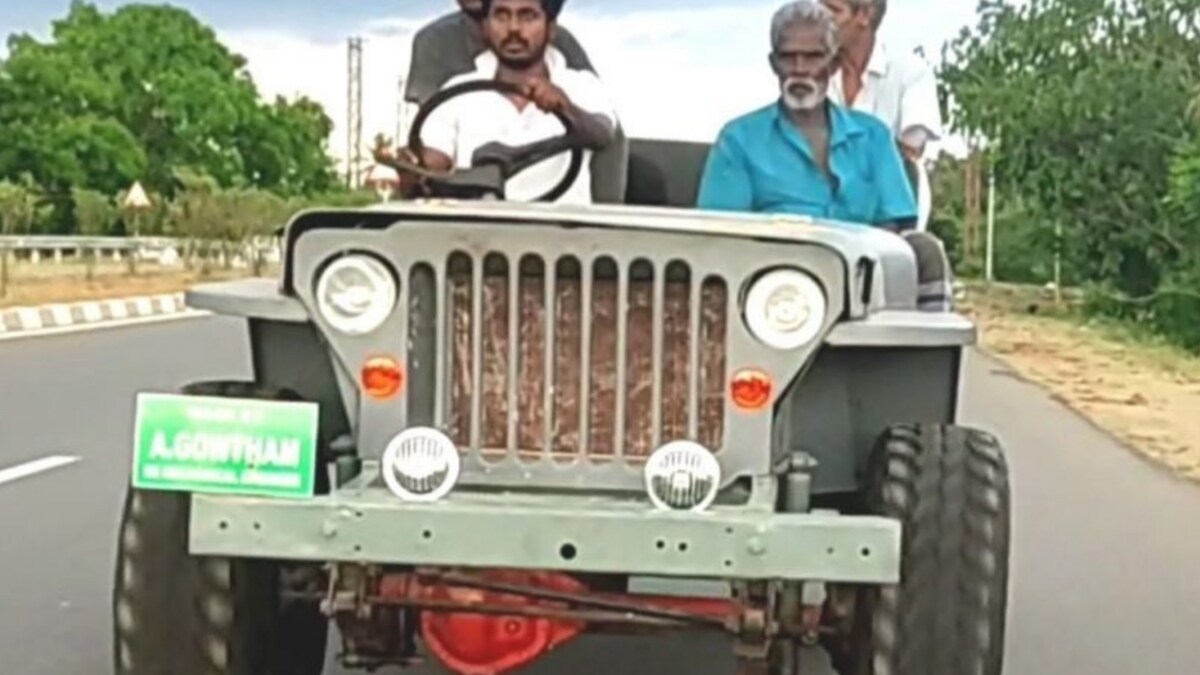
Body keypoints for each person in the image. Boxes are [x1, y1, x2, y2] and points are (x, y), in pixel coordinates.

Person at [695, 0, 952, 310]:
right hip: (772, 285)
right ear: (773, 64)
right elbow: (721, 236)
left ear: (832, 65)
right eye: (789, 57)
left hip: (864, 282)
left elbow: (895, 228)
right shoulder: (739, 139)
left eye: (813, 57)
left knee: (925, 250)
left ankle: (922, 356)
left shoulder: (873, 137)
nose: (800, 69)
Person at [404, 0, 629, 203]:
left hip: (564, 237)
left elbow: (603, 134)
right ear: (485, 28)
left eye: (527, 16)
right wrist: (415, 169)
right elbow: (433, 163)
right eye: (501, 15)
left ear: (551, 29)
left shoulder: (581, 85)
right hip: (476, 237)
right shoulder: (456, 91)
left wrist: (565, 107)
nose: (513, 28)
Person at [820, 0, 943, 232]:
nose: (819, 18)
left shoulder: (910, 71)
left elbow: (909, 152)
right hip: (824, 214)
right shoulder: (813, 75)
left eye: (833, 10)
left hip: (889, 216)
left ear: (864, 15)